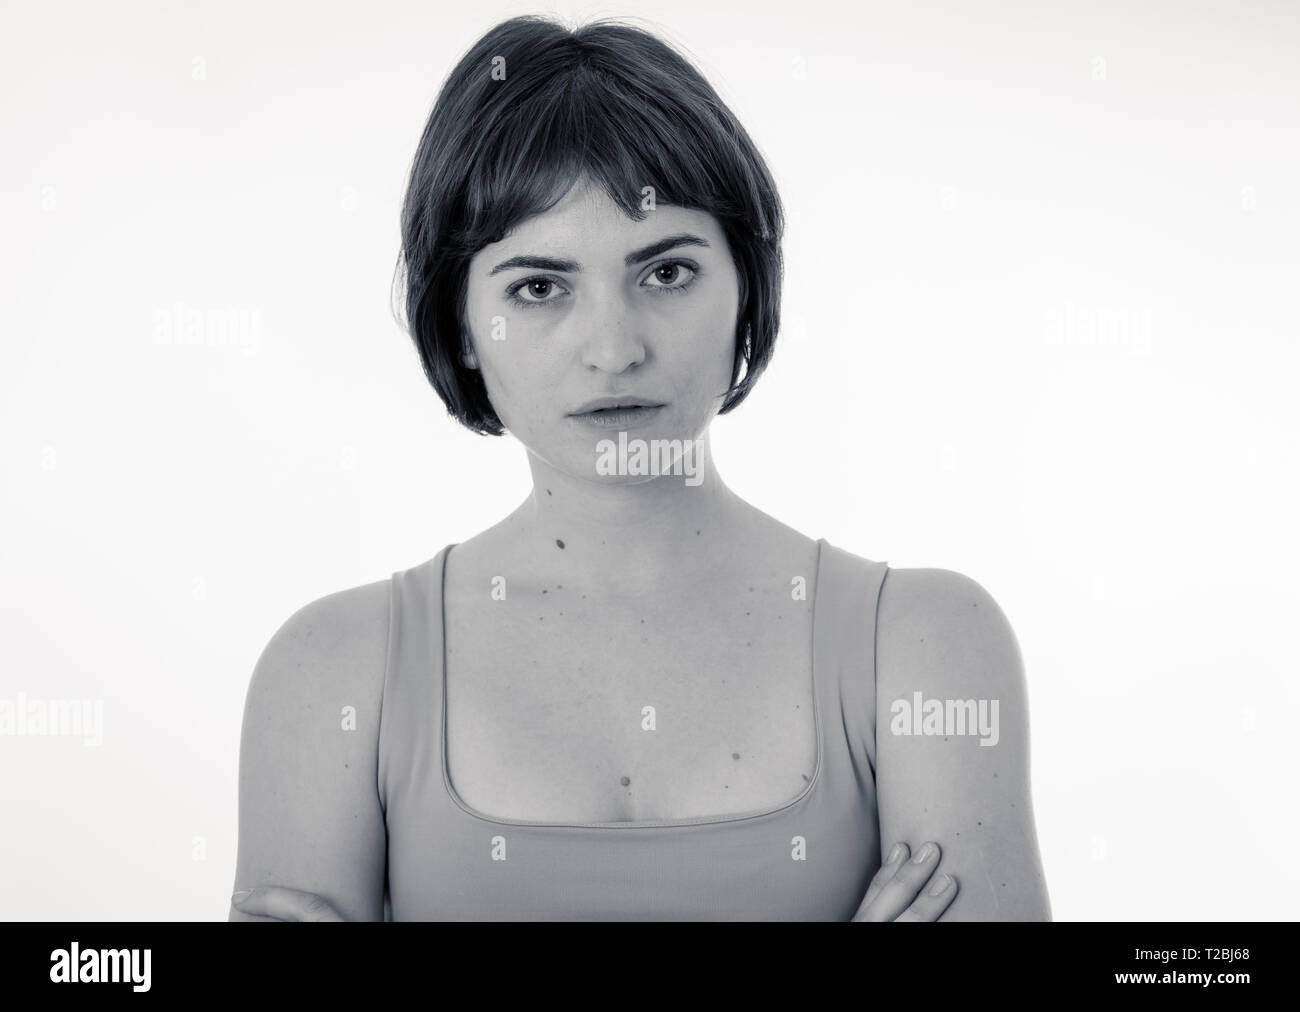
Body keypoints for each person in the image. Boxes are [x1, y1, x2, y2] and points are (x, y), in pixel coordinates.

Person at [229, 13, 1051, 922]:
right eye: (539, 288)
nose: (613, 350)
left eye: (665, 273)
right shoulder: (331, 675)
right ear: (461, 326)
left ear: (748, 284)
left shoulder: (926, 647)